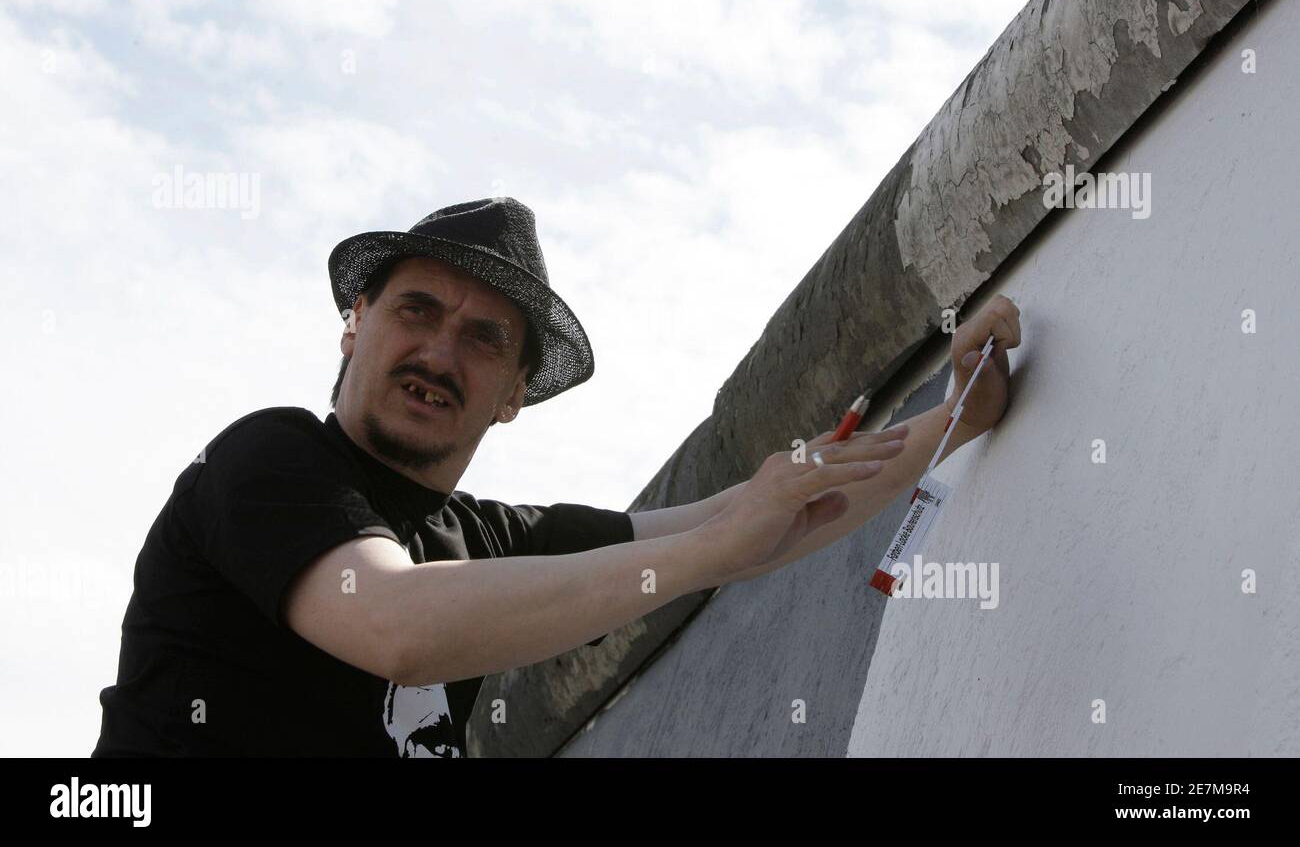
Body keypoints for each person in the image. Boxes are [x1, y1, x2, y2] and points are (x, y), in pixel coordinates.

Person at [92, 196, 1020, 757]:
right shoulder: (265, 458)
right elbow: (393, 623)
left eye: (484, 339)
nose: (438, 350)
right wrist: (709, 549)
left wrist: (954, 416)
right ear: (355, 321)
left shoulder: (491, 542)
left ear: (511, 399)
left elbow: (760, 513)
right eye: (415, 310)